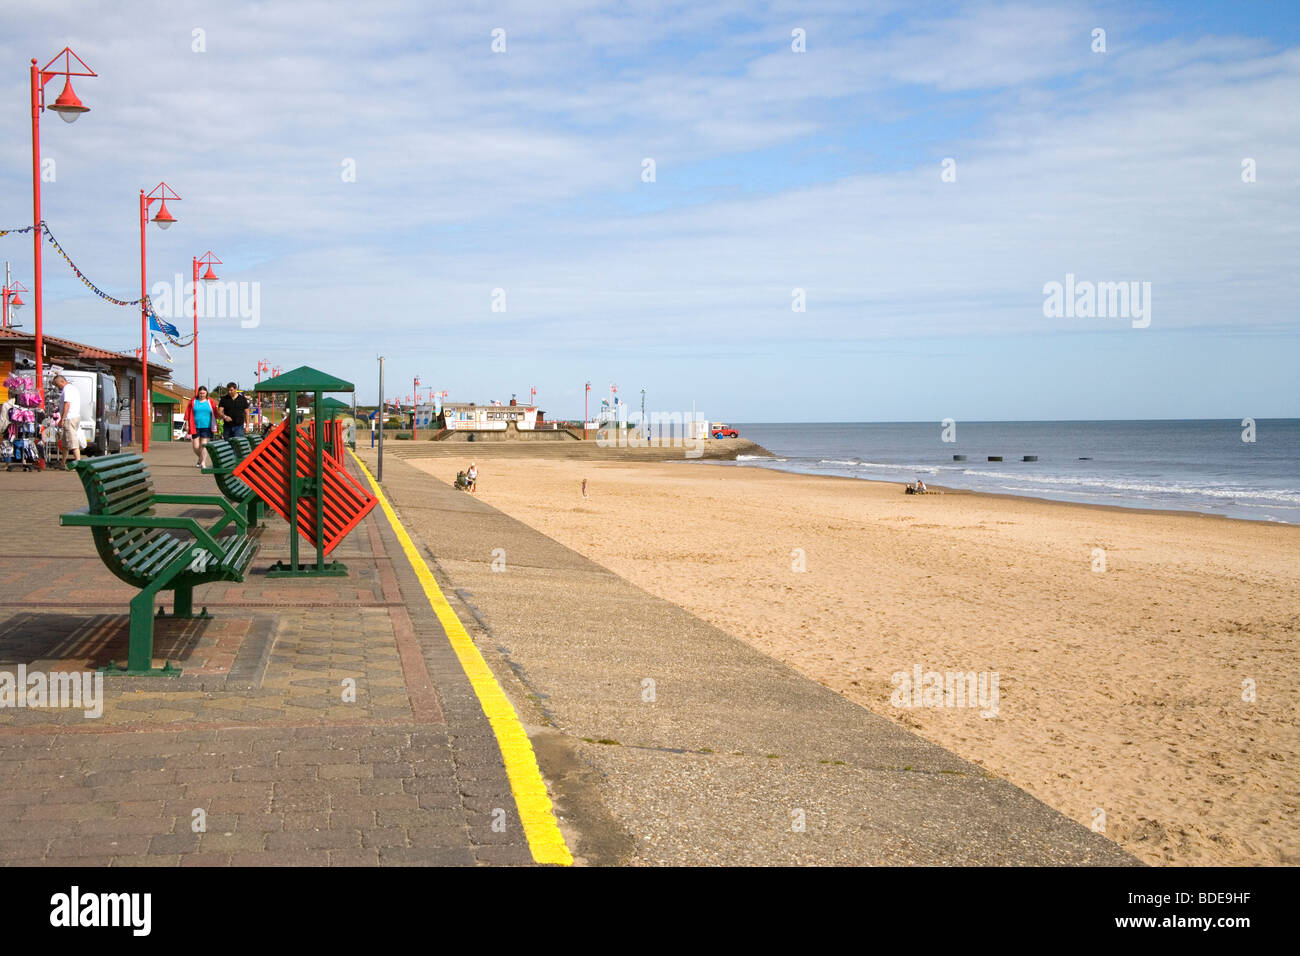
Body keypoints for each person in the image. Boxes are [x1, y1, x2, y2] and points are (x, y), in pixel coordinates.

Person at [185, 386, 219, 468]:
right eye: (200, 393)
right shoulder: (193, 401)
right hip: (195, 426)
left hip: (207, 426)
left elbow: (215, 412)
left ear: (207, 393)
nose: (202, 395)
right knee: (196, 446)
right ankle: (200, 459)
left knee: (204, 445)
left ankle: (203, 462)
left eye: (204, 393)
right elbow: (188, 412)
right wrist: (187, 424)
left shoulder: (210, 401)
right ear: (198, 393)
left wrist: (217, 423)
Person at [54, 374, 82, 469]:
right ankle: (63, 463)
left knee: (72, 441)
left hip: (69, 418)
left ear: (62, 381)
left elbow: (67, 404)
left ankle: (79, 463)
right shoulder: (72, 388)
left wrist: (62, 418)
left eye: (57, 385)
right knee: (65, 442)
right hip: (73, 417)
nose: (57, 387)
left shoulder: (67, 389)